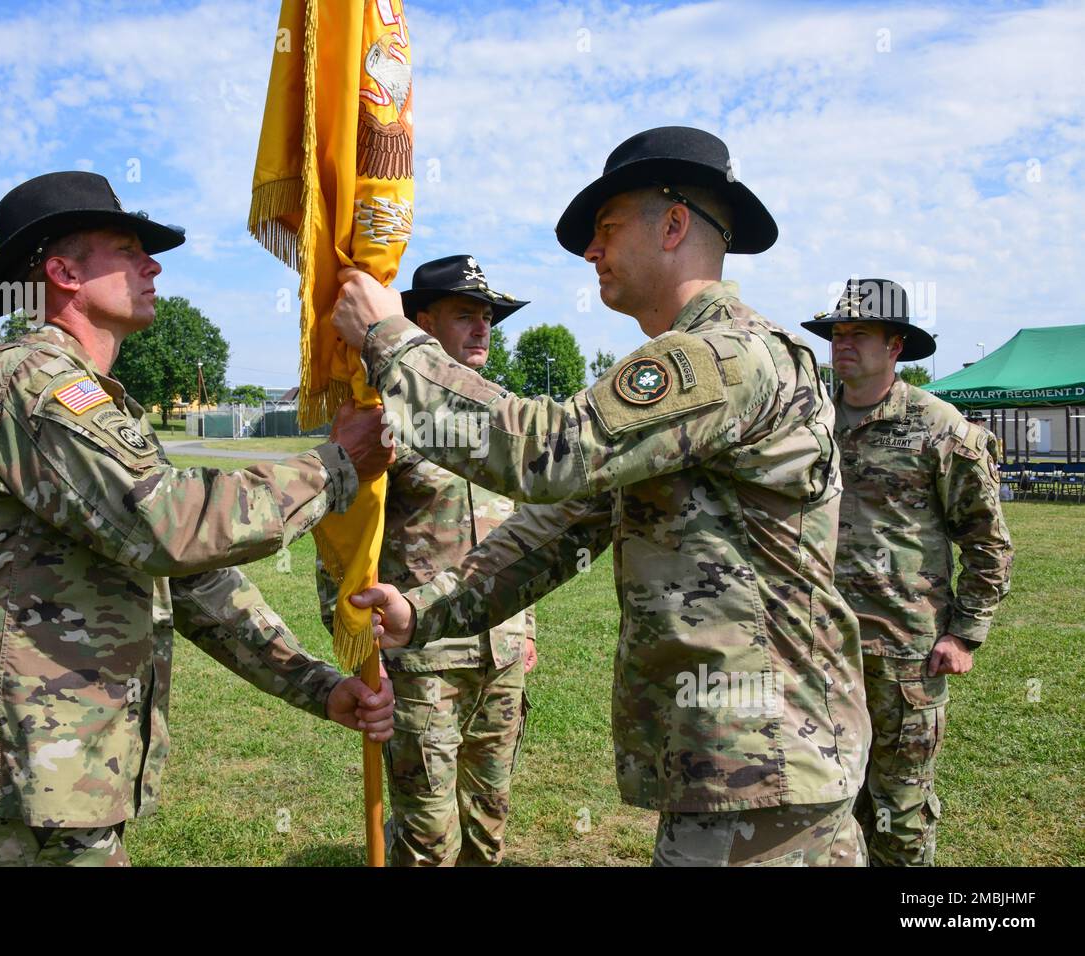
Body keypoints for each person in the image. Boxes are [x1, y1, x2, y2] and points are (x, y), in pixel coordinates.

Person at [332, 126, 872, 866]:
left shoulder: (722, 356)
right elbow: (564, 523)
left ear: (674, 223)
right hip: (745, 761)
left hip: (764, 762)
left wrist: (391, 341)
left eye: (608, 228)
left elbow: (548, 452)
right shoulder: (695, 366)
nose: (592, 251)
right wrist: (426, 608)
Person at [0, 171, 396, 866]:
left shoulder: (101, 405)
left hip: (68, 783)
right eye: (129, 248)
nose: (153, 264)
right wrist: (334, 466)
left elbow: (196, 582)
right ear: (64, 271)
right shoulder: (26, 380)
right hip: (3, 790)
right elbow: (164, 525)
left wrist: (321, 685)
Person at [318, 254, 537, 866]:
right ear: (416, 321)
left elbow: (521, 533)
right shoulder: (380, 420)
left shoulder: (499, 417)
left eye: (488, 317)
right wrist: (364, 657)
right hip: (421, 663)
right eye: (465, 315)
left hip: (501, 652)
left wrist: (526, 627)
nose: (482, 329)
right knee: (427, 835)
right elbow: (341, 547)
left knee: (488, 823)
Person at [802, 278, 1013, 866]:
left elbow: (988, 540)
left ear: (895, 345)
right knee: (828, 803)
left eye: (859, 334)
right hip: (820, 649)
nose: (843, 345)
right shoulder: (811, 422)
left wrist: (964, 632)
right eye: (837, 334)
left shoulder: (940, 427)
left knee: (898, 809)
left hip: (904, 654)